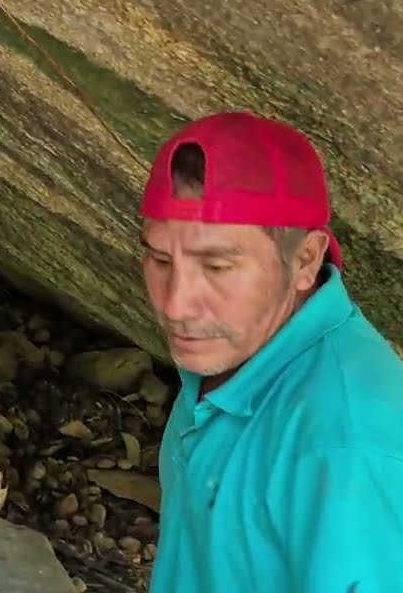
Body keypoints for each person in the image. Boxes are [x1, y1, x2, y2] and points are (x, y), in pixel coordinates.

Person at [138, 110, 403, 593]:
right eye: (159, 259)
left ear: (305, 260)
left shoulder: (346, 447)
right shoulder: (234, 357)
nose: (175, 304)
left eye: (216, 267)